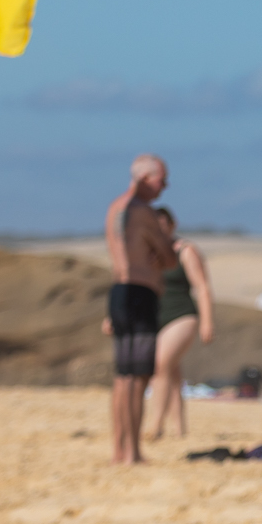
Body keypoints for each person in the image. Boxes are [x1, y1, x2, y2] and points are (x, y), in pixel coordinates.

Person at [103, 154, 176, 466]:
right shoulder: (142, 212)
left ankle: (119, 449)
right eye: (162, 180)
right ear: (146, 178)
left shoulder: (115, 208)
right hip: (139, 292)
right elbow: (169, 257)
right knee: (137, 377)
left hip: (119, 292)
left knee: (122, 377)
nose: (165, 188)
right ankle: (132, 452)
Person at [145, 207, 214, 442]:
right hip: (156, 316)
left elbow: (202, 286)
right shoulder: (149, 254)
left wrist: (207, 322)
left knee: (159, 366)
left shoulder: (185, 251)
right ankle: (179, 428)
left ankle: (155, 425)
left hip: (182, 314)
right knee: (172, 371)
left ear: (172, 225)